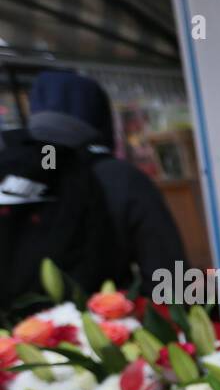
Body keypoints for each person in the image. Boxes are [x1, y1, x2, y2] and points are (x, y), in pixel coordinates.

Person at [0, 70, 185, 312]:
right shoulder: (121, 178)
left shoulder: (7, 173)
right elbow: (170, 281)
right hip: (102, 338)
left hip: (12, 341)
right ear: (101, 117)